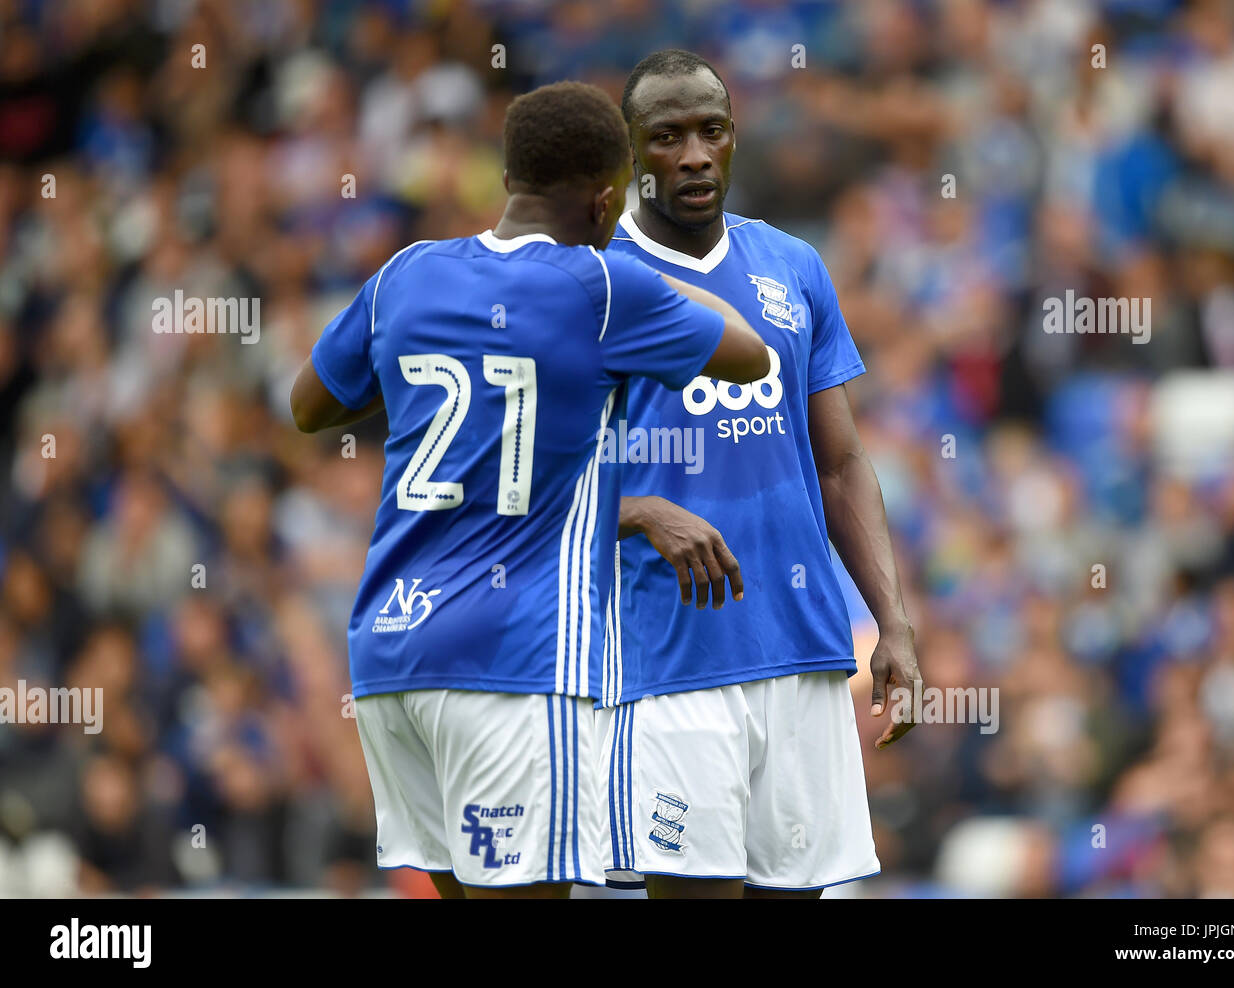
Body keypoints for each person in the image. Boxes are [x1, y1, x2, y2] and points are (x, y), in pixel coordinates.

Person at [289, 80, 768, 899]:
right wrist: (621, 262)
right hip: (512, 662)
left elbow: (310, 406)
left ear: (507, 179)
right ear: (607, 197)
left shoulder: (407, 274)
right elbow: (749, 352)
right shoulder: (604, 287)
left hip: (391, 658)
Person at [602, 51, 922, 899]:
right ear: (631, 153)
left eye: (712, 130)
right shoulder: (591, 279)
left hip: (802, 644)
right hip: (666, 656)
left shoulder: (792, 266)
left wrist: (892, 619)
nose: (696, 155)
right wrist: (637, 510)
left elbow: (843, 461)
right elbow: (526, 481)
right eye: (667, 137)